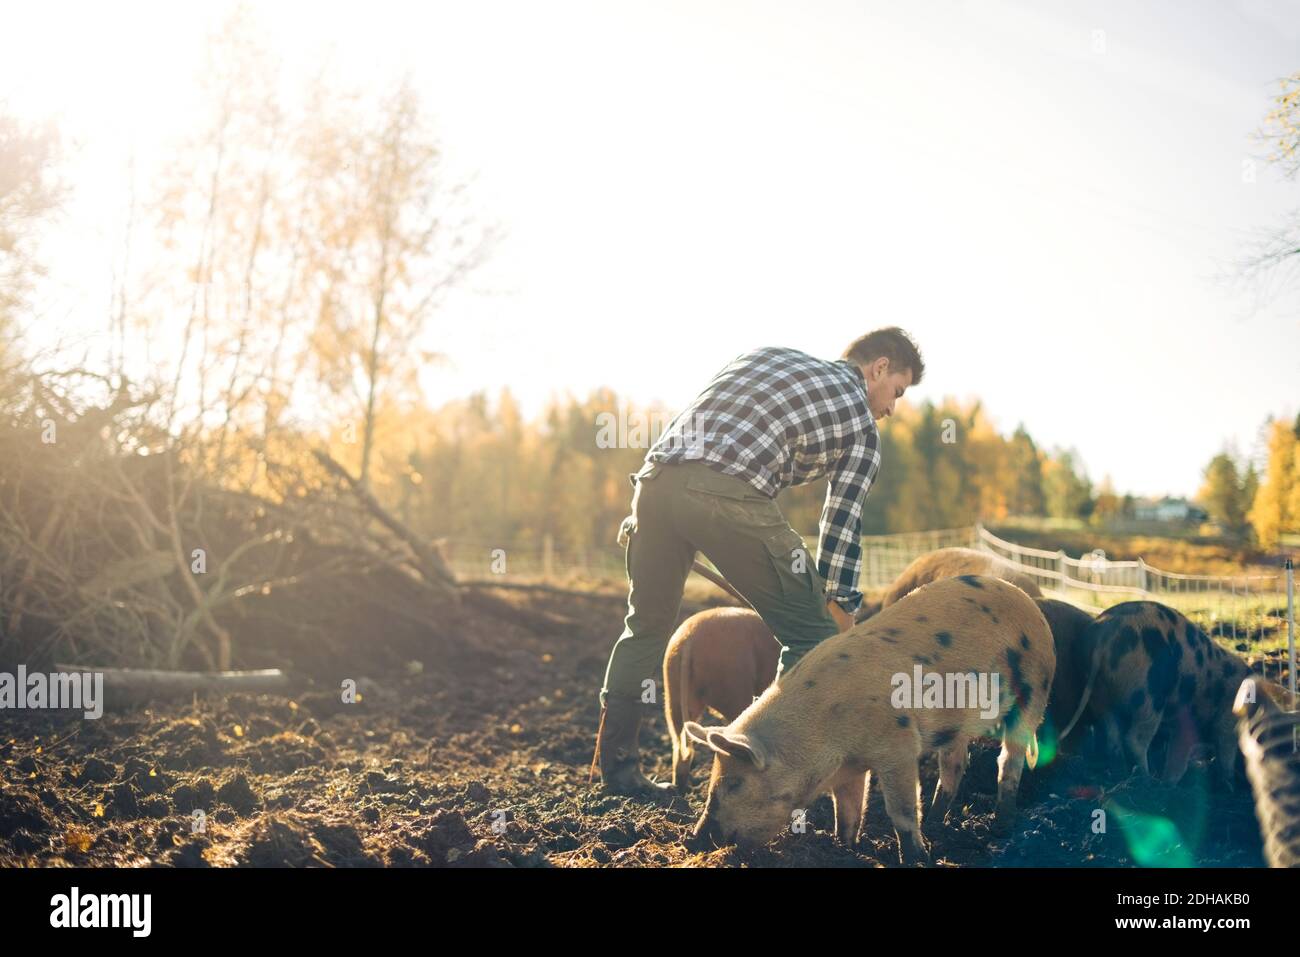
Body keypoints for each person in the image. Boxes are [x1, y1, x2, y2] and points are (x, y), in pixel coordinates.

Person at [591, 327, 924, 794]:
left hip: (655, 482)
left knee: (644, 627)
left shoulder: (767, 355)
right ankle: (765, 779)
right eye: (897, 392)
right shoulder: (863, 429)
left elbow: (691, 417)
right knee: (813, 636)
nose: (891, 407)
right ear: (880, 368)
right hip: (728, 494)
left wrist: (641, 512)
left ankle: (619, 773)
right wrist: (838, 613)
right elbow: (840, 525)